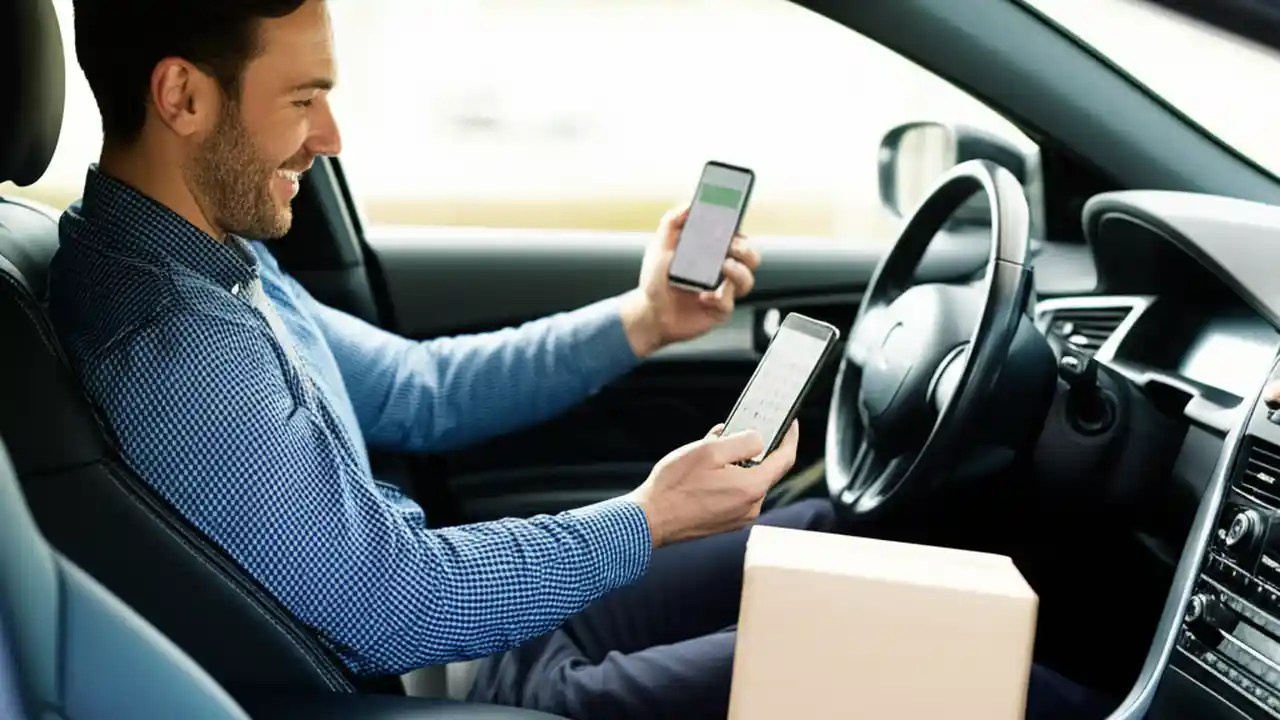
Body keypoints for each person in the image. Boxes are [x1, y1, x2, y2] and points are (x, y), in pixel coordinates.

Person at [49, 1, 1110, 718]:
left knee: (838, 537)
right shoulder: (173, 347)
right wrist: (647, 516)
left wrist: (644, 318)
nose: (329, 135)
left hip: (459, 628)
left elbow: (419, 392)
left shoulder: (219, 268)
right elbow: (391, 608)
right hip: (447, 684)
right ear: (182, 98)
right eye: (300, 99)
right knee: (955, 658)